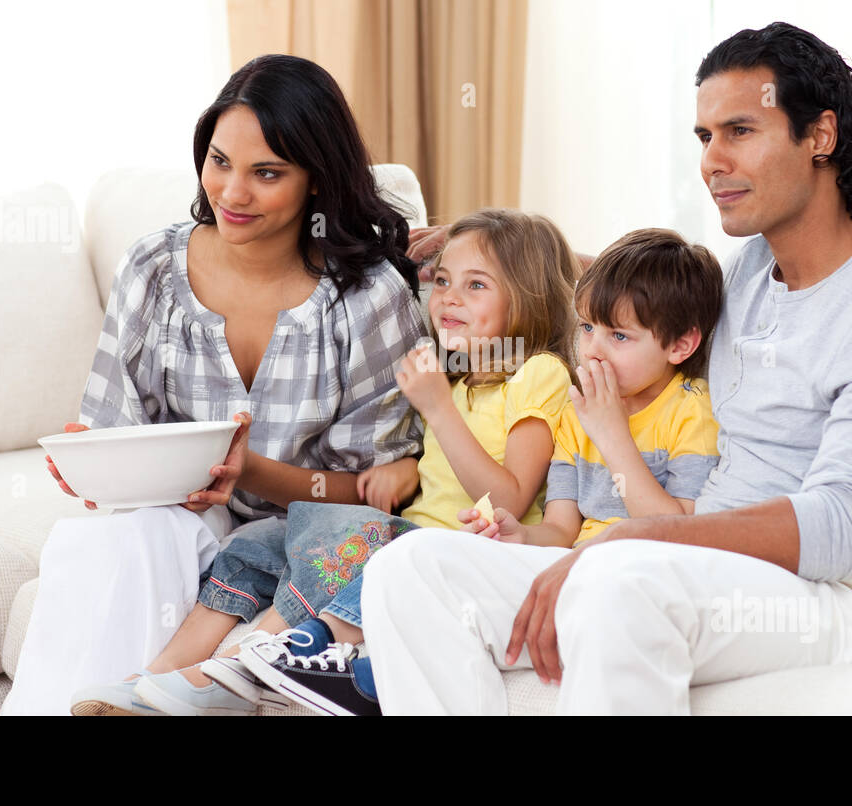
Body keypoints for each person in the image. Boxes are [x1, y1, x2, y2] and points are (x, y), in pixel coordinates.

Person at [355, 21, 852, 715]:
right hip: (701, 566)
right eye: (704, 137)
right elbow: (646, 309)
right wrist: (498, 251)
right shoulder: (755, 271)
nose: (712, 161)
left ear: (821, 136)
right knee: (409, 570)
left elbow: (846, 530)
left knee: (619, 582)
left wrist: (646, 536)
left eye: (740, 131)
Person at [0, 54, 426, 716]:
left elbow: (375, 495)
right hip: (192, 516)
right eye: (220, 161)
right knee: (103, 539)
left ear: (317, 182)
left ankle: (178, 686)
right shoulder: (153, 269)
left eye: (267, 174)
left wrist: (249, 472)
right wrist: (97, 466)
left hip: (318, 529)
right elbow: (115, 425)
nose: (232, 192)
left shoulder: (369, 297)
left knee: (335, 542)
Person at [76, 207, 582, 715]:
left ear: (529, 296)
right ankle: (152, 679)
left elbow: (509, 496)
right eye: (444, 279)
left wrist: (436, 407)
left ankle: (232, 673)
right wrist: (402, 470)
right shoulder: (452, 379)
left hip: (453, 556)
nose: (448, 296)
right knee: (259, 540)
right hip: (411, 532)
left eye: (476, 285)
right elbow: (435, 470)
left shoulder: (537, 375)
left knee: (345, 541)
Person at [241, 227, 727, 715]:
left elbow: (676, 532)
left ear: (681, 345)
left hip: (627, 572)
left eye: (619, 336)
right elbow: (560, 528)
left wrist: (614, 437)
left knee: (411, 553)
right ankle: (370, 673)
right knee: (415, 557)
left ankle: (364, 669)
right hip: (567, 563)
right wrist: (517, 534)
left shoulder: (689, 410)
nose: (593, 351)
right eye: (585, 329)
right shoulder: (579, 410)